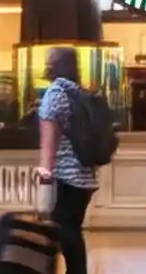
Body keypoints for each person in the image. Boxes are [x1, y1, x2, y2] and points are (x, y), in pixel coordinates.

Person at [36, 47, 99, 274]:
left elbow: (49, 141)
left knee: (66, 233)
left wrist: (45, 176)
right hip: (85, 177)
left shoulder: (55, 94)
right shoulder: (80, 93)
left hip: (66, 178)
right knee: (71, 230)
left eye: (49, 60)